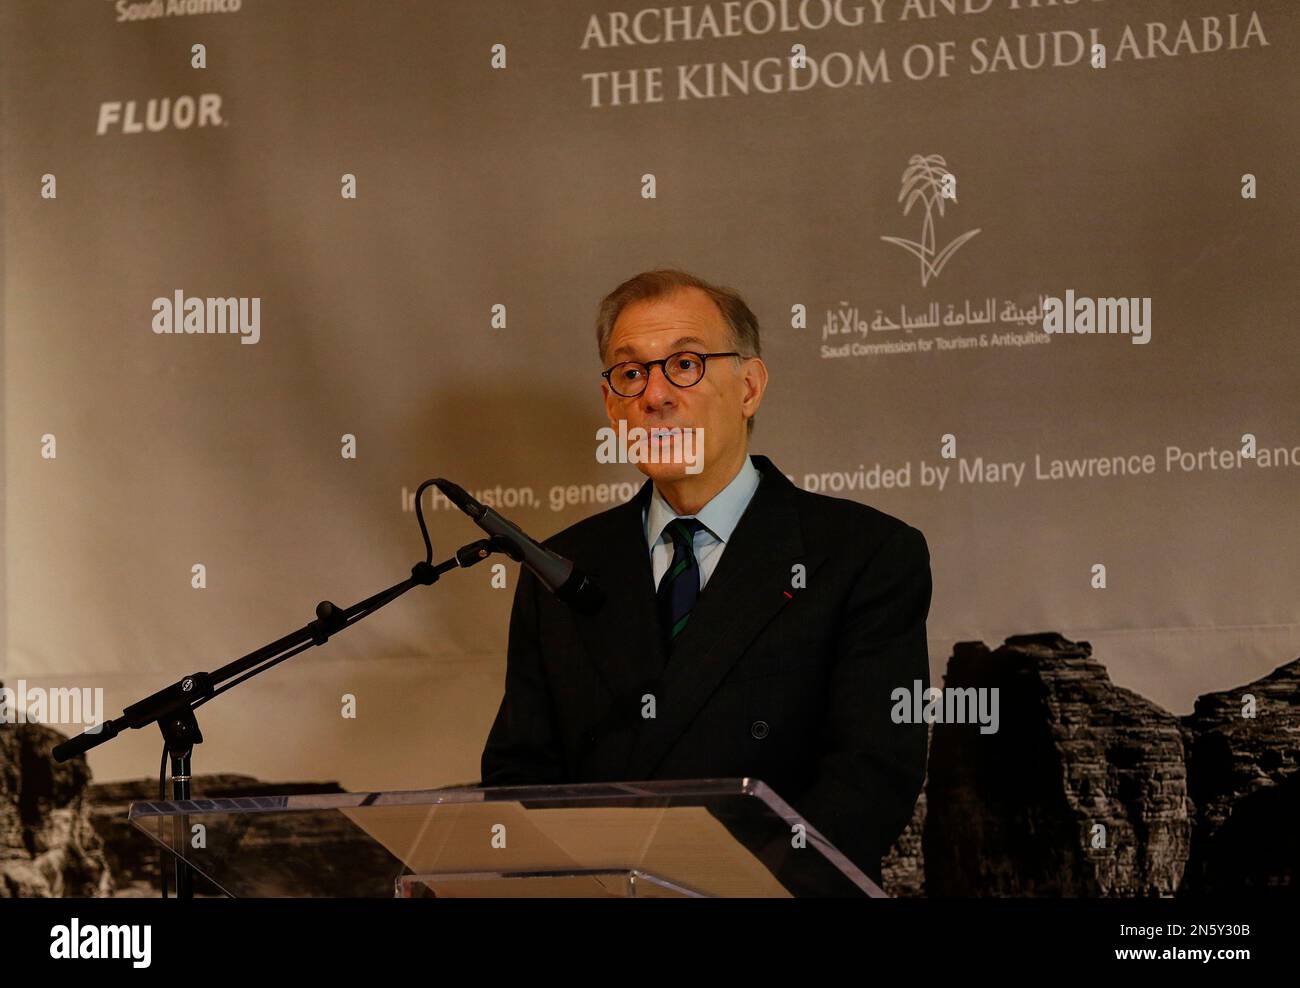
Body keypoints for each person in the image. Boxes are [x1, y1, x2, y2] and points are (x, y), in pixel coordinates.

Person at [481, 269, 931, 885]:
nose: (655, 396)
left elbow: (871, 777)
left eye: (685, 364)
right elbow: (520, 778)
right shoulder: (559, 568)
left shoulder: (864, 555)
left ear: (749, 386)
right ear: (612, 403)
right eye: (631, 372)